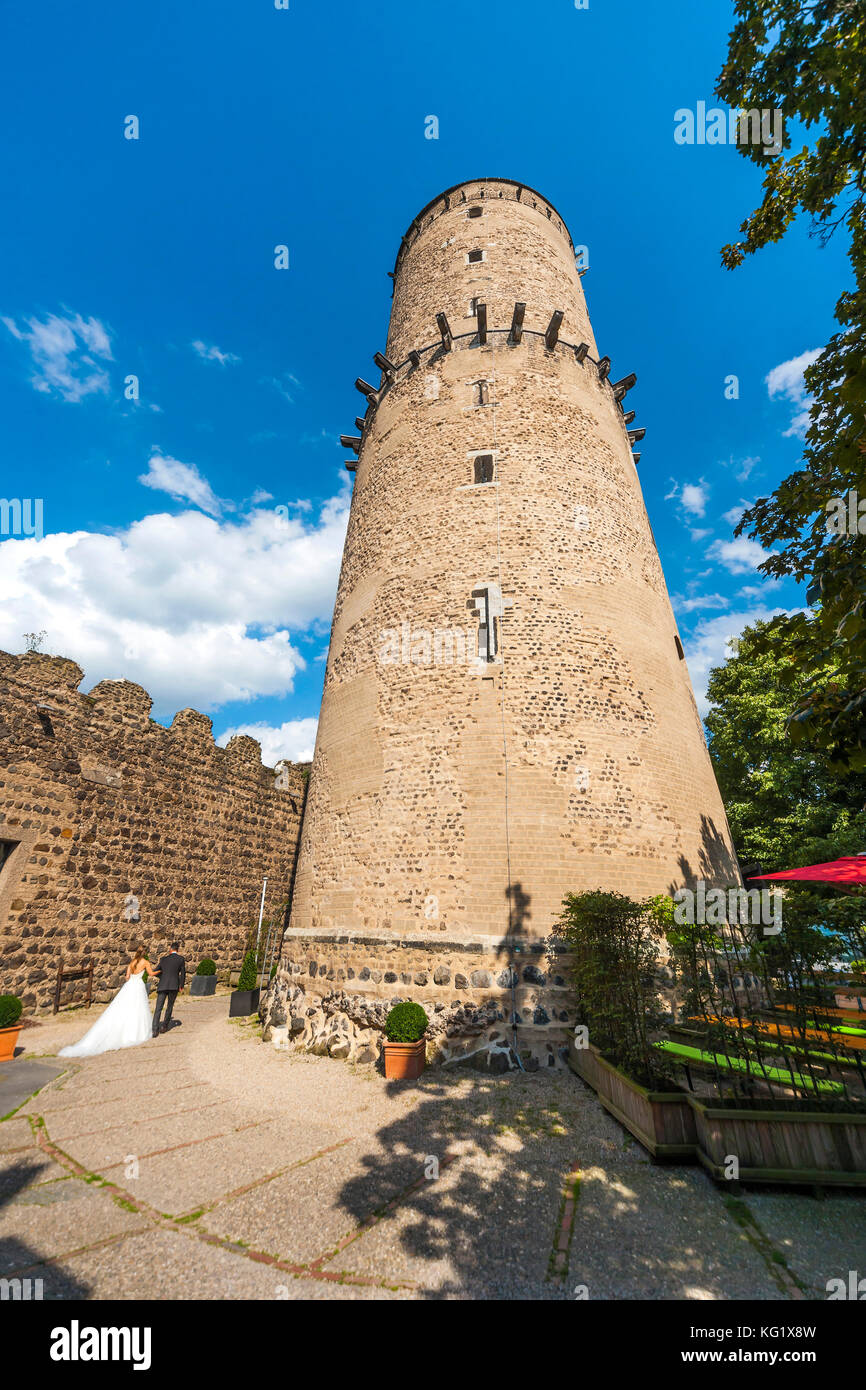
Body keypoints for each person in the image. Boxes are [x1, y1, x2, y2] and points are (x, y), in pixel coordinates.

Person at [59, 949, 158, 1058]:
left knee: (123, 1007)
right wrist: (160, 971)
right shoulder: (146, 962)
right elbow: (151, 973)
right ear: (146, 953)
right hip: (138, 986)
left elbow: (127, 977)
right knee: (138, 1009)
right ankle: (136, 1033)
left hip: (129, 986)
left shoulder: (132, 962)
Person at [151, 943, 186, 1037]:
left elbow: (155, 971)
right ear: (177, 950)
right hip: (174, 986)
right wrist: (181, 985)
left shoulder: (163, 959)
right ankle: (164, 1026)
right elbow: (183, 974)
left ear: (170, 949)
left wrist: (162, 977)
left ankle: (154, 1030)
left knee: (158, 1008)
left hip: (162, 985)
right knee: (169, 1006)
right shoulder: (181, 959)